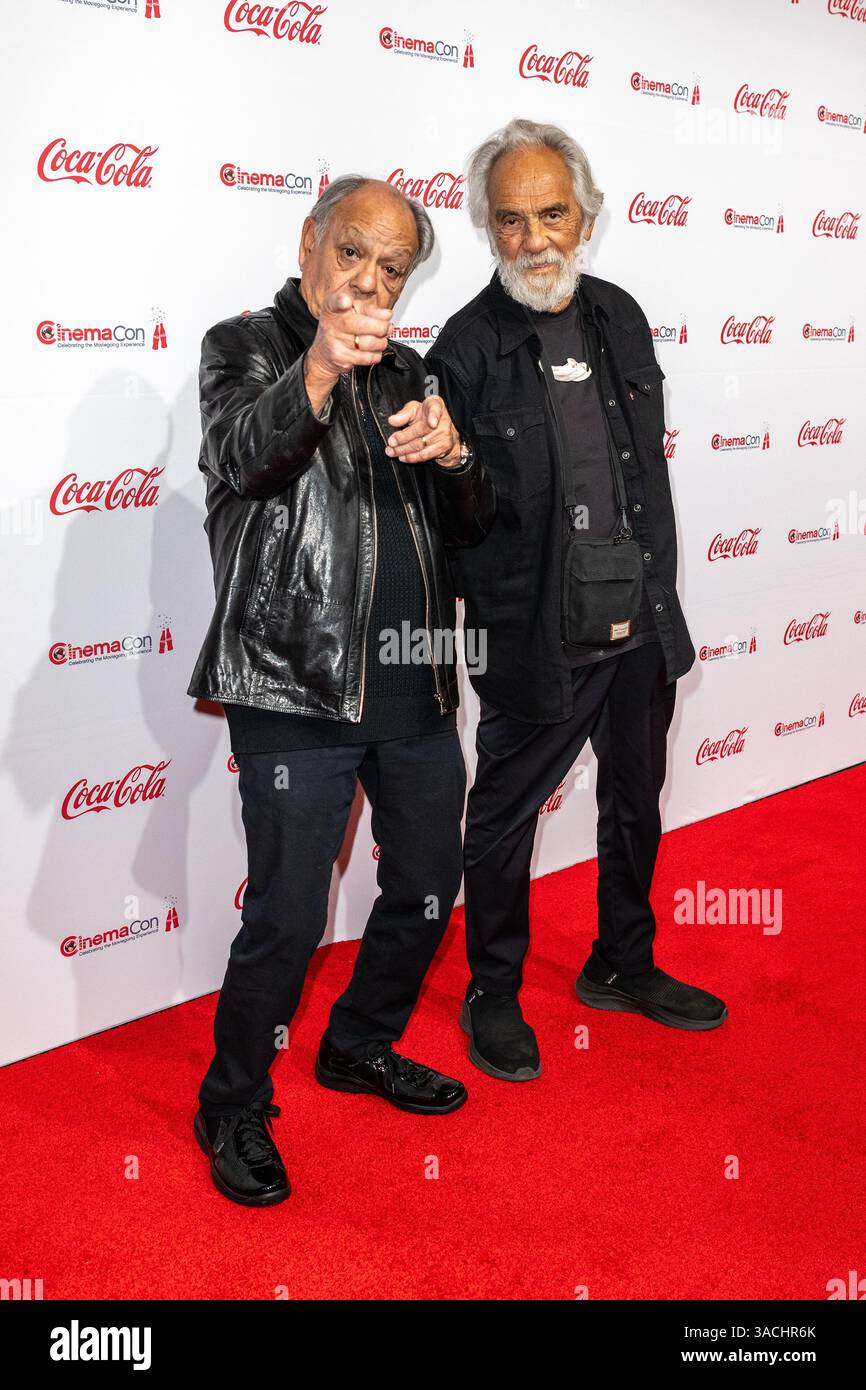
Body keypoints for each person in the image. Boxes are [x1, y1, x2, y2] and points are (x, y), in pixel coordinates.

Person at [390, 118, 726, 1083]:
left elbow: (637, 477)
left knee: (635, 803)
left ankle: (622, 963)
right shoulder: (464, 346)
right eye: (510, 221)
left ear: (585, 215)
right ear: (485, 229)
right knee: (500, 818)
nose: (534, 239)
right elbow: (455, 513)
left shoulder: (622, 314)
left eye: (551, 213)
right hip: (532, 630)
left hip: (640, 616)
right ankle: (493, 989)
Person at [186, 175, 495, 1203]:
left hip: (412, 679)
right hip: (292, 678)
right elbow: (242, 459)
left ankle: (357, 1043)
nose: (368, 280)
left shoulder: (410, 368)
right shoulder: (244, 345)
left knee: (422, 881)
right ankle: (231, 1101)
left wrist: (454, 458)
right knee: (285, 911)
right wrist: (316, 368)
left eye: (391, 267)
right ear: (310, 242)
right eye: (353, 253)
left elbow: (461, 528)